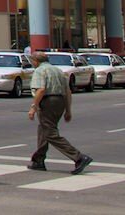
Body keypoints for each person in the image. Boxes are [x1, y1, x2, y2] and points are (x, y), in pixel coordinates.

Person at [27, 42, 92, 174]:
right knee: (44, 130)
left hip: (47, 102)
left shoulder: (40, 71)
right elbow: (67, 91)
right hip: (60, 101)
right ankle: (38, 160)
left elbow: (41, 90)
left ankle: (79, 157)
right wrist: (68, 110)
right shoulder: (58, 70)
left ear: (35, 61)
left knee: (50, 133)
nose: (32, 63)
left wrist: (34, 107)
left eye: (32, 61)